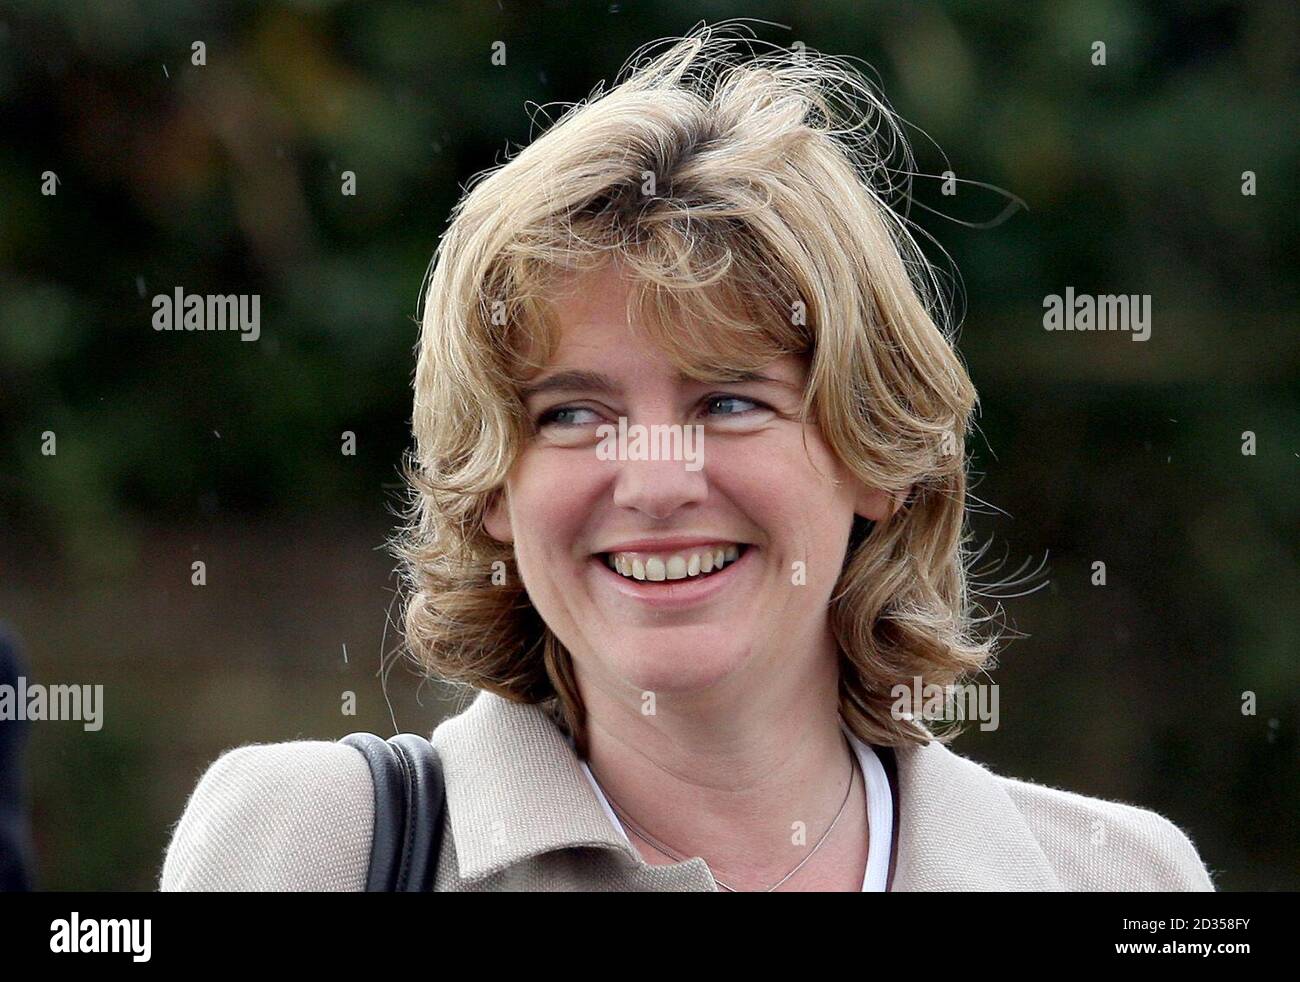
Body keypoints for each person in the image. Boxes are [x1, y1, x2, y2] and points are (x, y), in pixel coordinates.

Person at [159, 24, 1215, 892]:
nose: (656, 481)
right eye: (572, 414)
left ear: (878, 455)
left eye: (728, 401)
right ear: (491, 485)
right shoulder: (310, 850)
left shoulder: (1122, 883)